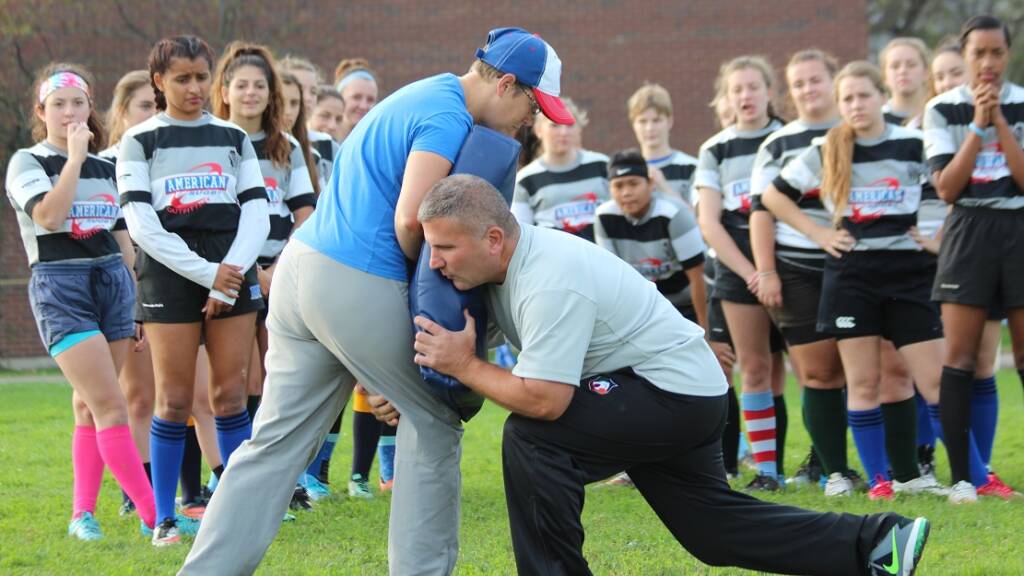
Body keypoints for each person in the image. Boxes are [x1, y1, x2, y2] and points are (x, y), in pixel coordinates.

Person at [178, 27, 571, 575]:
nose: (533, 121)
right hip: (354, 276)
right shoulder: (447, 114)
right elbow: (414, 218)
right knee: (434, 422)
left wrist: (379, 368)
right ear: (506, 83)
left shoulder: (426, 90)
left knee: (271, 448)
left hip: (301, 272)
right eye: (534, 104)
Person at [405, 173, 931, 576]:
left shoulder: (549, 279)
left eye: (445, 248)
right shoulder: (500, 271)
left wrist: (465, 366)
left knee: (534, 436)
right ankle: (880, 541)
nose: (435, 264)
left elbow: (545, 401)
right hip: (674, 388)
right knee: (713, 533)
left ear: (494, 238)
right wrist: (409, 388)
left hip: (669, 391)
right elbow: (468, 349)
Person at [762, 61, 951, 501]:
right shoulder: (829, 146)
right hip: (851, 276)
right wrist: (818, 233)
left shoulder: (912, 142)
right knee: (858, 381)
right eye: (847, 98)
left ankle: (947, 475)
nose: (856, 105)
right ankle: (877, 481)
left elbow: (947, 190)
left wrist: (934, 239)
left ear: (882, 95)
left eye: (863, 95)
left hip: (907, 275)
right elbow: (772, 195)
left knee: (915, 376)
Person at [118, 34, 270, 545]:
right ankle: (163, 518)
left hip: (232, 268)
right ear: (159, 82)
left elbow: (256, 210)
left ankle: (241, 513)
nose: (195, 87)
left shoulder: (233, 137)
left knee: (230, 395)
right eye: (182, 78)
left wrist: (231, 269)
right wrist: (209, 275)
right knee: (176, 399)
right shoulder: (139, 140)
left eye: (202, 77)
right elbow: (141, 225)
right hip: (171, 274)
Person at [5, 62, 156, 540]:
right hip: (60, 283)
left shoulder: (108, 166)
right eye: (58, 104)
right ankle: (158, 517)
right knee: (110, 403)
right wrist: (72, 159)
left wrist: (137, 301)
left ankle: (81, 515)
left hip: (111, 281)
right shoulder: (27, 162)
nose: (70, 112)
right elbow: (49, 216)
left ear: (91, 107)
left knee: (89, 406)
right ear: (41, 111)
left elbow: (121, 236)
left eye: (78, 102)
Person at [925, 14, 1024, 503]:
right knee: (960, 359)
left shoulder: (1023, 103)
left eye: (996, 53)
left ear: (1008, 54)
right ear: (964, 57)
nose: (987, 63)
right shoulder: (942, 109)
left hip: (1018, 228)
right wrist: (977, 128)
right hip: (967, 232)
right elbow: (946, 188)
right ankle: (964, 479)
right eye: (978, 53)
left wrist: (1001, 122)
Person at [748, 49, 856, 492]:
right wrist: (766, 270)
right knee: (819, 372)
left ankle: (893, 469)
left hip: (860, 268)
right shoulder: (778, 142)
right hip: (797, 269)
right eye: (799, 84)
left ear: (834, 80)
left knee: (870, 371)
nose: (809, 89)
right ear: (790, 94)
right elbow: (761, 210)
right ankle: (833, 470)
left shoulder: (863, 128)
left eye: (816, 79)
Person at [694, 55, 788, 490]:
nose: (746, 96)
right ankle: (766, 471)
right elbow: (710, 223)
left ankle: (819, 466)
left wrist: (773, 268)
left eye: (753, 87)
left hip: (793, 264)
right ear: (726, 98)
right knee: (753, 367)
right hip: (738, 270)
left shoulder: (789, 138)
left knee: (793, 370)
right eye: (737, 89)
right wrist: (754, 272)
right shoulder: (715, 148)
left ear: (770, 91)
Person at [101, 69, 159, 515]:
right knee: (137, 395)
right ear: (122, 111)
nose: (153, 113)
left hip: (172, 281)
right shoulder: (104, 163)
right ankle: (133, 492)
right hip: (129, 285)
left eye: (157, 105)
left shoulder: (168, 156)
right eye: (144, 105)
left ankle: (176, 488)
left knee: (170, 395)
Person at [594, 149, 707, 328]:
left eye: (633, 183)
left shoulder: (674, 213)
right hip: (643, 310)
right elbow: (613, 280)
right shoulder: (603, 217)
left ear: (650, 184)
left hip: (686, 306)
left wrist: (707, 334)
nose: (626, 193)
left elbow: (699, 278)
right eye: (618, 186)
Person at [512, 98, 610, 242]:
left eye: (570, 124)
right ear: (539, 130)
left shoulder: (602, 165)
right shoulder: (525, 180)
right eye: (555, 125)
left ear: (579, 129)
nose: (564, 132)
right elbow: (522, 237)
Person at [627, 83, 698, 204]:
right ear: (633, 125)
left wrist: (663, 186)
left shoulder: (691, 167)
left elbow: (698, 218)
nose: (650, 128)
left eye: (656, 120)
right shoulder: (626, 170)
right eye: (642, 121)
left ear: (669, 122)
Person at [880, 37, 931, 126]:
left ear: (926, 72)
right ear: (884, 76)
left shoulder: (938, 113)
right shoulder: (877, 119)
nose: (903, 71)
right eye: (895, 66)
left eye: (911, 65)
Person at [334, 58, 380, 142]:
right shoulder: (324, 142)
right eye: (356, 97)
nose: (363, 106)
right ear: (339, 98)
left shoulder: (376, 143)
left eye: (370, 100)